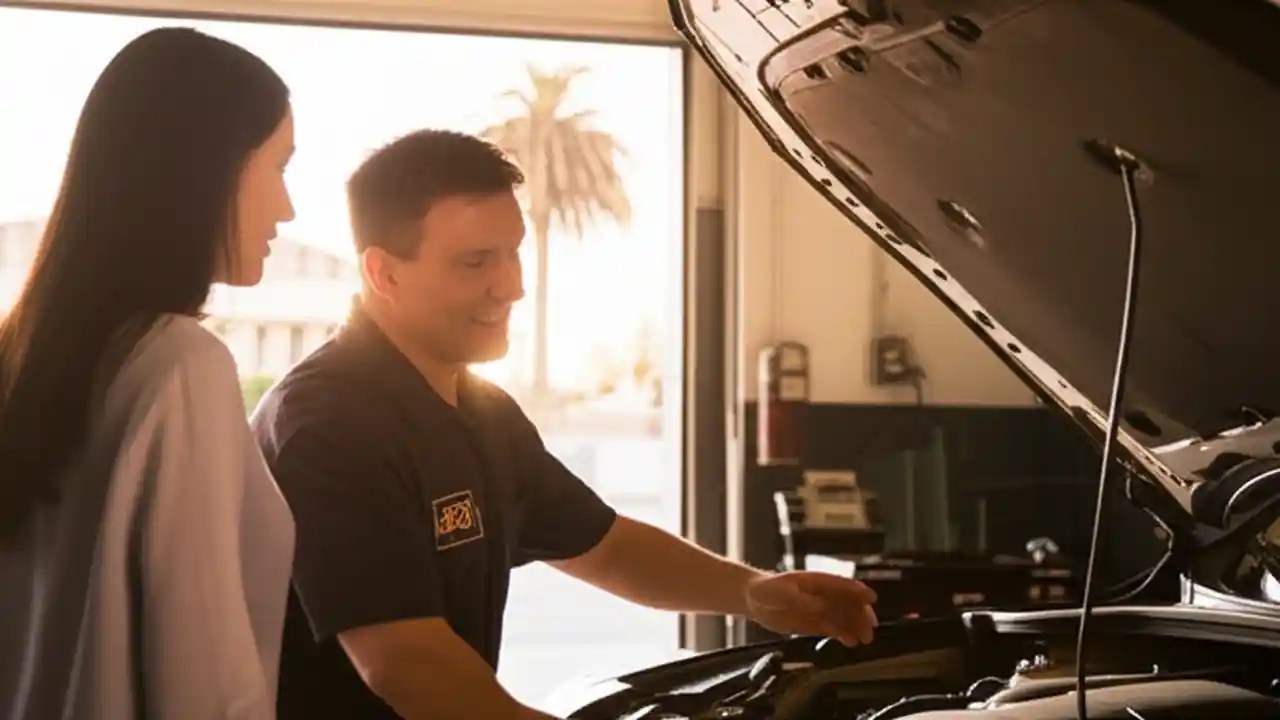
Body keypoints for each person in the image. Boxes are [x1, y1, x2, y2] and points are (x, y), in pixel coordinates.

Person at [251, 129, 878, 720]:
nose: (511, 287)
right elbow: (405, 662)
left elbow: (607, 547)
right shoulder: (327, 424)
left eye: (512, 253)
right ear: (383, 273)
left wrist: (754, 592)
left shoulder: (481, 411)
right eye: (475, 262)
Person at [0, 28, 298, 719]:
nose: (287, 208)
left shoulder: (27, 359)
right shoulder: (182, 367)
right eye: (279, 167)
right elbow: (203, 684)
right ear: (209, 169)